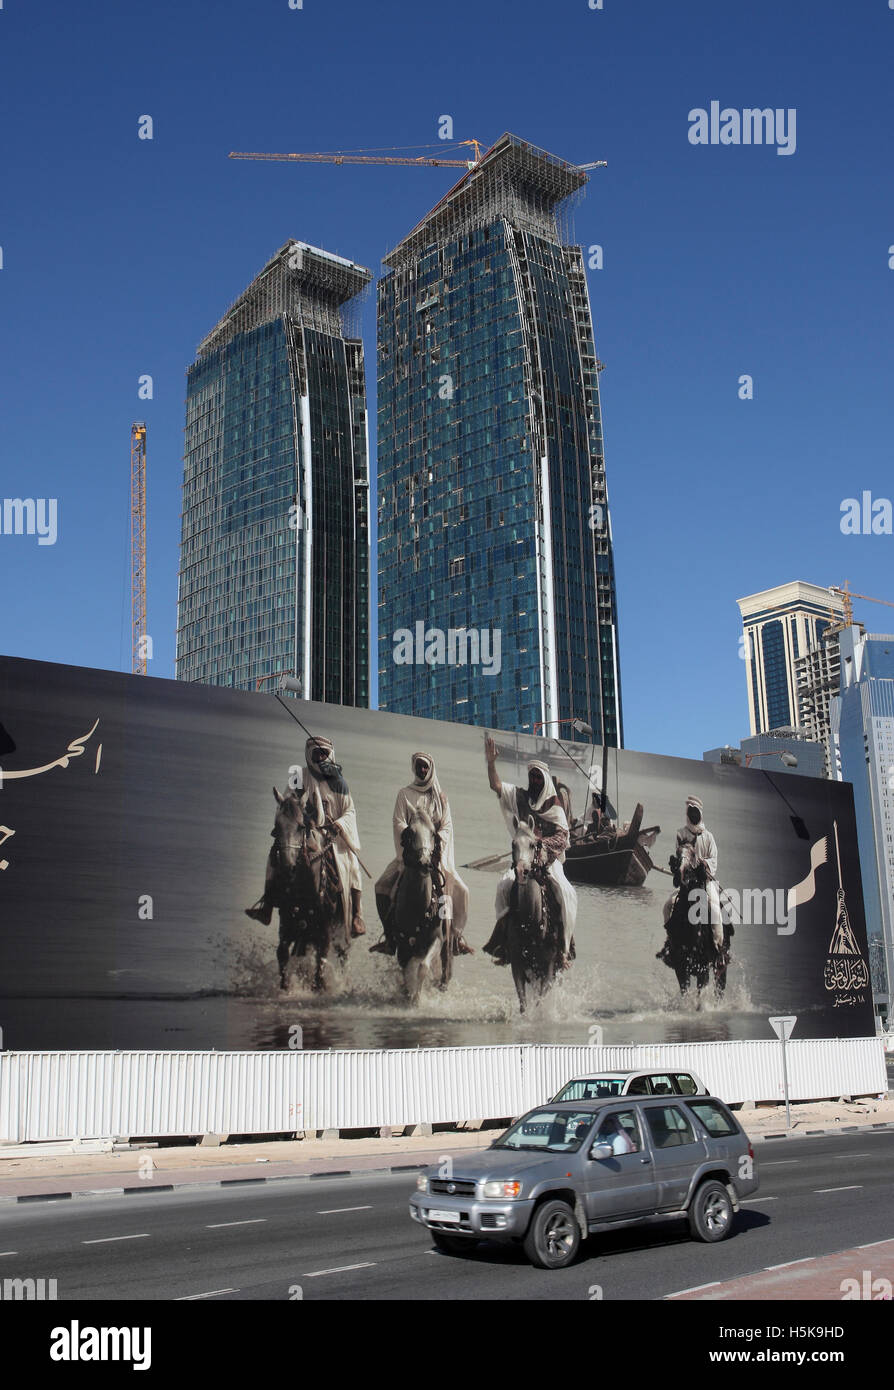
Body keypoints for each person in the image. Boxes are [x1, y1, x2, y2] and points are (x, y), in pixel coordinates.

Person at [245, 736, 366, 938]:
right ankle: (266, 906)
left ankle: (357, 916)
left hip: (333, 838)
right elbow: (287, 801)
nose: (319, 757)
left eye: (323, 753)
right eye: (316, 753)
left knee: (353, 865)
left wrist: (338, 824)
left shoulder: (339, 782)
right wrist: (302, 818)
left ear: (330, 755)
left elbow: (350, 812)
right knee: (274, 854)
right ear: (309, 754)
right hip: (303, 833)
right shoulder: (298, 774)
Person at [481, 734, 578, 969]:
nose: (533, 780)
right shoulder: (520, 797)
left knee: (566, 893)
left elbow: (563, 836)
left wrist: (541, 845)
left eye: (537, 777)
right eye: (531, 776)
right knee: (503, 886)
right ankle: (503, 944)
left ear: (544, 780)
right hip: (523, 859)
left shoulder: (554, 806)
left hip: (548, 862)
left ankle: (564, 949)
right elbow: (496, 786)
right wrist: (491, 763)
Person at [370, 751, 473, 956]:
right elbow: (398, 821)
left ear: (431, 768)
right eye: (419, 766)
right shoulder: (404, 794)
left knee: (460, 892)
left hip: (435, 856)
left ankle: (454, 936)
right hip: (410, 855)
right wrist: (412, 837)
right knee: (381, 885)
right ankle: (389, 936)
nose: (422, 770)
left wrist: (434, 841)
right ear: (414, 768)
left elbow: (447, 825)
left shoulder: (441, 797)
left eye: (425, 766)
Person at [661, 794, 724, 955]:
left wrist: (705, 864)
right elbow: (679, 855)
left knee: (715, 911)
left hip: (706, 883)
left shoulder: (709, 837)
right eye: (691, 813)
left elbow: (714, 859)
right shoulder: (681, 833)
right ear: (688, 814)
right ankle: (670, 941)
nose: (693, 816)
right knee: (667, 906)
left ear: (700, 814)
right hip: (687, 883)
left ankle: (719, 949)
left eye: (696, 813)